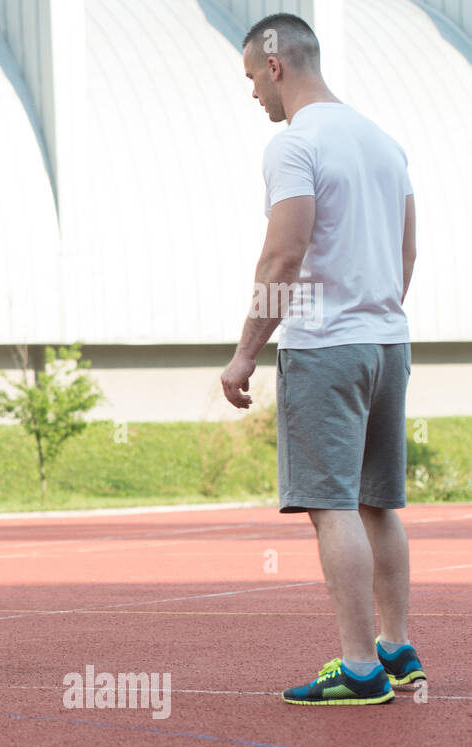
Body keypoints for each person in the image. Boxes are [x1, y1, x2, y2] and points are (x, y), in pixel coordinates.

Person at [221, 14, 424, 704]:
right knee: (379, 503)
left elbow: (284, 252)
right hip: (387, 341)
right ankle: (397, 648)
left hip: (326, 346)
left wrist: (245, 353)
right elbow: (407, 253)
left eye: (251, 77)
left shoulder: (296, 144)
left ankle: (359, 665)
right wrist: (376, 312)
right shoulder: (383, 141)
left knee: (330, 504)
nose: (253, 94)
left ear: (276, 66)